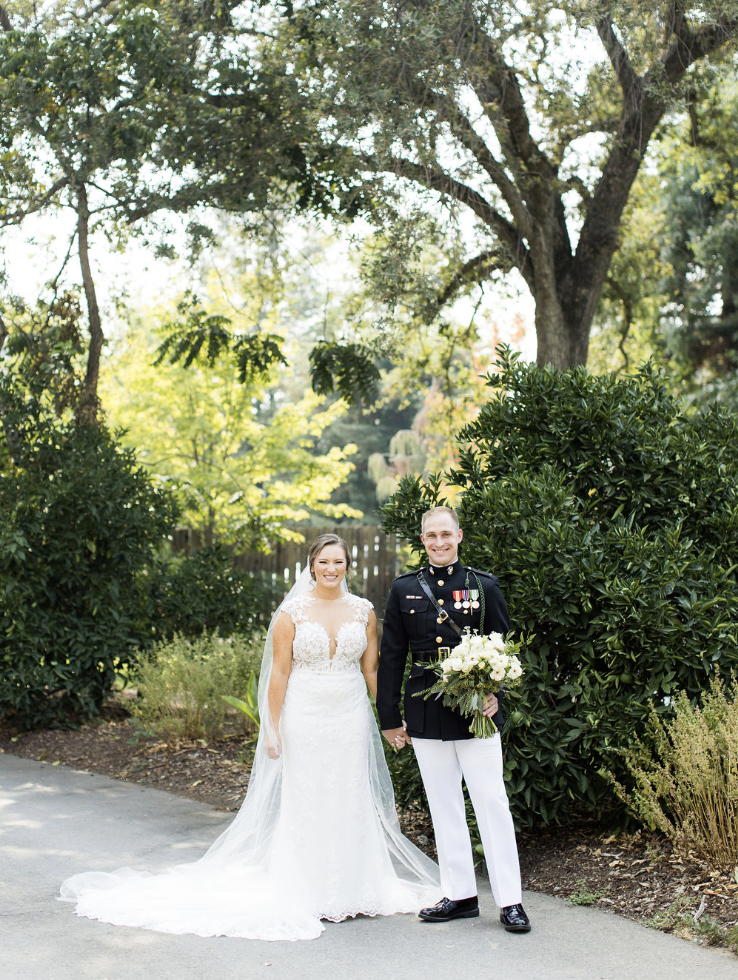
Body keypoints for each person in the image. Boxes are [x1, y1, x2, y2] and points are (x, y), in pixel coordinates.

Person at [60, 533, 439, 941]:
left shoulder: (364, 612)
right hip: (305, 715)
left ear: (348, 566)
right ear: (311, 565)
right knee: (307, 795)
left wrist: (389, 718)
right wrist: (271, 728)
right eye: (324, 562)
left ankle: (356, 887)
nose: (332, 569)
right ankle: (307, 889)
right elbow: (278, 673)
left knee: (349, 793)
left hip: (349, 716)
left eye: (339, 563)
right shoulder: (291, 613)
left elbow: (371, 671)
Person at [376, 506, 531, 933]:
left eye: (446, 534)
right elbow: (392, 657)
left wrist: (495, 694)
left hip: (475, 709)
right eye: (431, 536)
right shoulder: (404, 588)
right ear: (422, 540)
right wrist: (389, 717)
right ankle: (460, 895)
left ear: (459, 535)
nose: (439, 542)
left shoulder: (484, 585)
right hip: (426, 711)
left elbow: (504, 647)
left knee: (492, 803)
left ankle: (510, 902)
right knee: (443, 806)